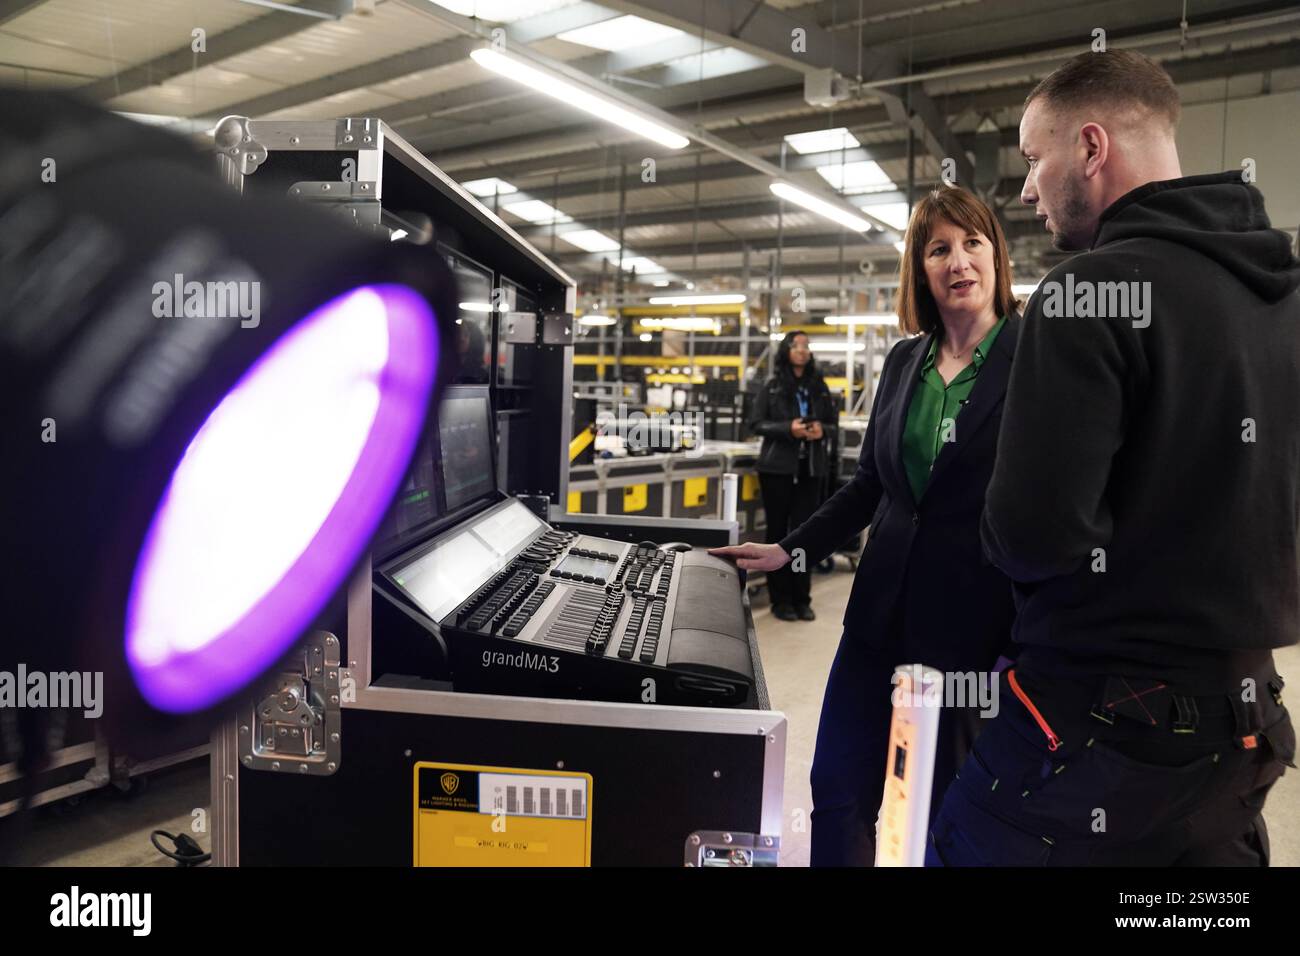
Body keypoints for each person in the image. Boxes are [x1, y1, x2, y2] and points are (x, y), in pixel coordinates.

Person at [927, 50, 1299, 866]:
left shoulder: (1086, 292)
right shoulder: (1283, 294)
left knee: (958, 838)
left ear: (1091, 148)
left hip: (1101, 724)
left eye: (1033, 158)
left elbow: (1033, 535)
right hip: (1245, 729)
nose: (1025, 188)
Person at [714, 186, 1021, 865]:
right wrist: (789, 552)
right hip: (878, 615)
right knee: (839, 787)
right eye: (939, 248)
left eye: (973, 243)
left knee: (943, 810)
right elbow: (867, 489)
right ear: (920, 269)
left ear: (997, 256)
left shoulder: (1035, 362)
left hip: (971, 630)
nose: (958, 260)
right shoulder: (904, 361)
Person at [745, 331, 838, 622]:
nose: (802, 350)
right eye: (796, 345)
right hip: (776, 470)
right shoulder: (771, 387)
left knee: (804, 535)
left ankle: (802, 597)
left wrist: (822, 430)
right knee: (778, 534)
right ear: (786, 351)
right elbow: (756, 424)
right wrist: (789, 429)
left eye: (806, 345)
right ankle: (780, 599)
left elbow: (833, 425)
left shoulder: (818, 388)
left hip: (810, 469)